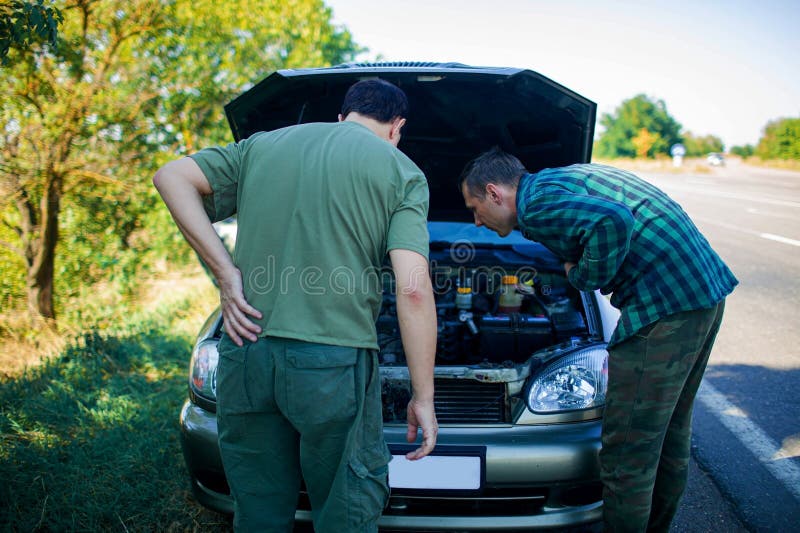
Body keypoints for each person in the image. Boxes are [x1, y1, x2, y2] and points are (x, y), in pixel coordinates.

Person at [154, 79, 438, 532]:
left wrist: (226, 277)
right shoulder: (401, 171)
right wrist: (423, 397)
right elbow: (414, 289)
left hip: (245, 348)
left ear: (343, 115)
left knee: (259, 508)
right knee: (344, 506)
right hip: (332, 361)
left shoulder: (261, 146)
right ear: (396, 127)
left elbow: (170, 176)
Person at [459, 147, 737, 532]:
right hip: (698, 293)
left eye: (475, 208)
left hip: (666, 305)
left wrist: (582, 277)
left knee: (627, 455)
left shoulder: (536, 206)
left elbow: (613, 219)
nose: (475, 222)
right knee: (668, 437)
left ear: (494, 193)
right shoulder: (550, 184)